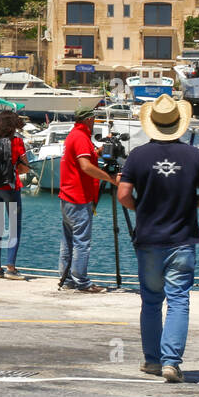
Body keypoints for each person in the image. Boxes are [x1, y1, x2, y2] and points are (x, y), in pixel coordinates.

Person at [118, 95, 199, 383]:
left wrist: (142, 208)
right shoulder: (195, 156)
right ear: (179, 123)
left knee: (151, 301)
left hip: (149, 238)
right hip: (182, 239)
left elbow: (123, 194)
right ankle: (171, 362)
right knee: (178, 301)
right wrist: (191, 206)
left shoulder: (137, 156)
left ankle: (152, 360)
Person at [58, 103, 121, 293]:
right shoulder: (81, 137)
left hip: (68, 196)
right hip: (78, 197)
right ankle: (82, 282)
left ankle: (67, 279)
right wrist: (110, 178)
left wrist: (100, 151)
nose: (94, 123)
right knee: (81, 242)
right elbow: (85, 166)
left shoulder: (75, 135)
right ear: (88, 120)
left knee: (69, 240)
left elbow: (85, 159)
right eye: (93, 119)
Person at [0, 109, 32, 280]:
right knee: (13, 228)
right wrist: (16, 168)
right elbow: (24, 167)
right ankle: (11, 267)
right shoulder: (16, 141)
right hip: (10, 189)